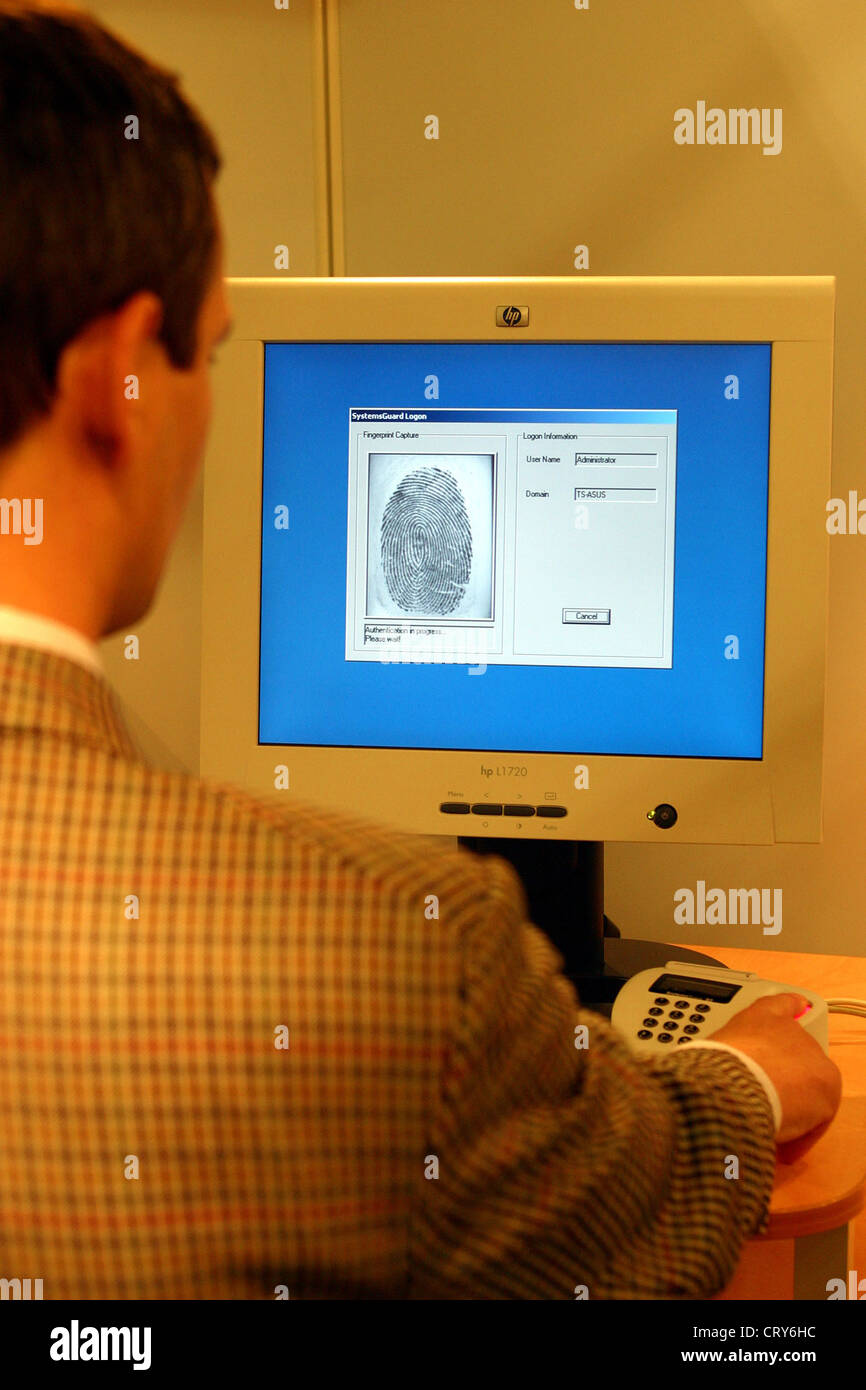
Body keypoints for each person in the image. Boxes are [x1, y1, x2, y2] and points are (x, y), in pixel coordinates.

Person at [0, 0, 841, 1300]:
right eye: (211, 353)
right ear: (119, 381)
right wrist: (742, 1075)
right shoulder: (399, 945)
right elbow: (625, 1220)